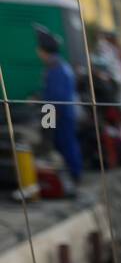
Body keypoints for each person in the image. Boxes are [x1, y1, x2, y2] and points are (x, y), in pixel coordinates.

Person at [35, 25, 82, 194]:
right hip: (57, 113)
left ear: (45, 51)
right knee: (61, 144)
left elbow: (56, 99)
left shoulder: (57, 69)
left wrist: (47, 121)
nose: (37, 52)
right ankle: (66, 178)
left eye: (39, 49)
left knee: (65, 144)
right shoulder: (56, 67)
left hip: (59, 114)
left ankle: (74, 177)